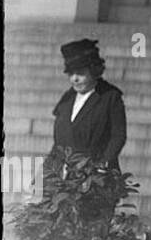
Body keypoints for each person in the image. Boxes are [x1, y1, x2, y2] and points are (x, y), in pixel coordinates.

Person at [45, 39, 129, 224]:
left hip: (96, 179)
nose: (75, 79)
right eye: (71, 74)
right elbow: (59, 142)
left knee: (90, 238)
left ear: (94, 71)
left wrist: (100, 166)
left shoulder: (110, 97)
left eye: (81, 73)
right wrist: (47, 173)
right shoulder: (67, 99)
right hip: (63, 179)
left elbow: (118, 136)